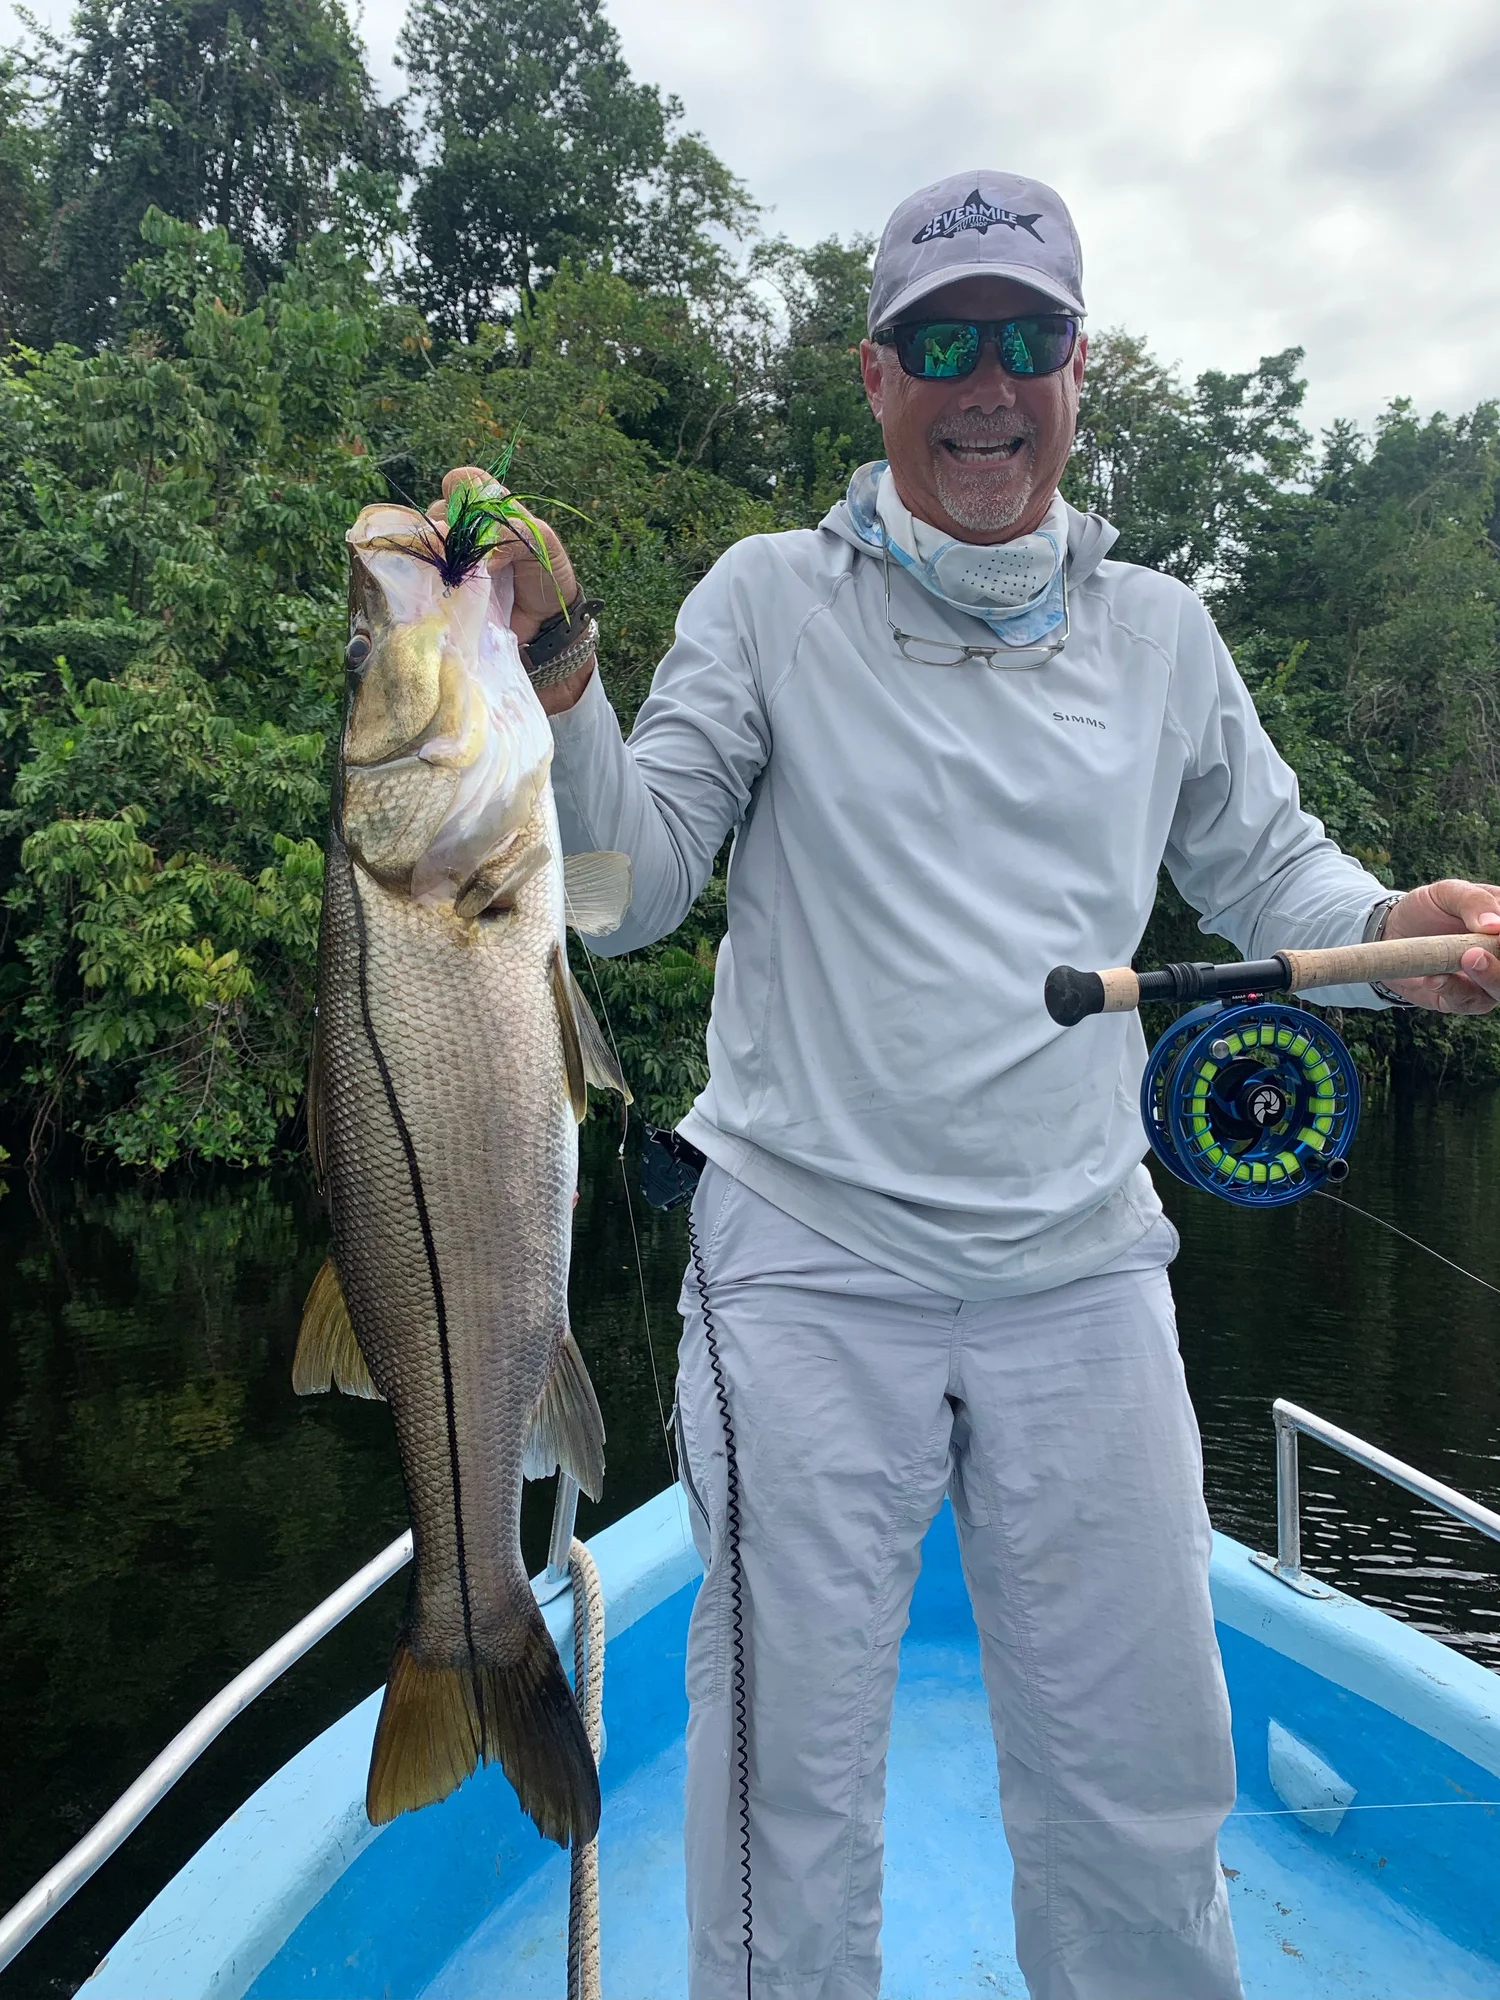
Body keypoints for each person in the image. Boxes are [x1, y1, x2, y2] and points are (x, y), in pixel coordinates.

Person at [438, 170, 1500, 2000]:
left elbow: (1281, 882)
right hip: (804, 1269)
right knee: (786, 1809)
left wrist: (1406, 925)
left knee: (1147, 1782)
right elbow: (620, 901)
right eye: (947, 342)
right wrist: (556, 666)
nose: (987, 384)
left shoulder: (1165, 633)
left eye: (1027, 340)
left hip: (1085, 1273)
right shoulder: (766, 601)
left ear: (1084, 371)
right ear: (876, 376)